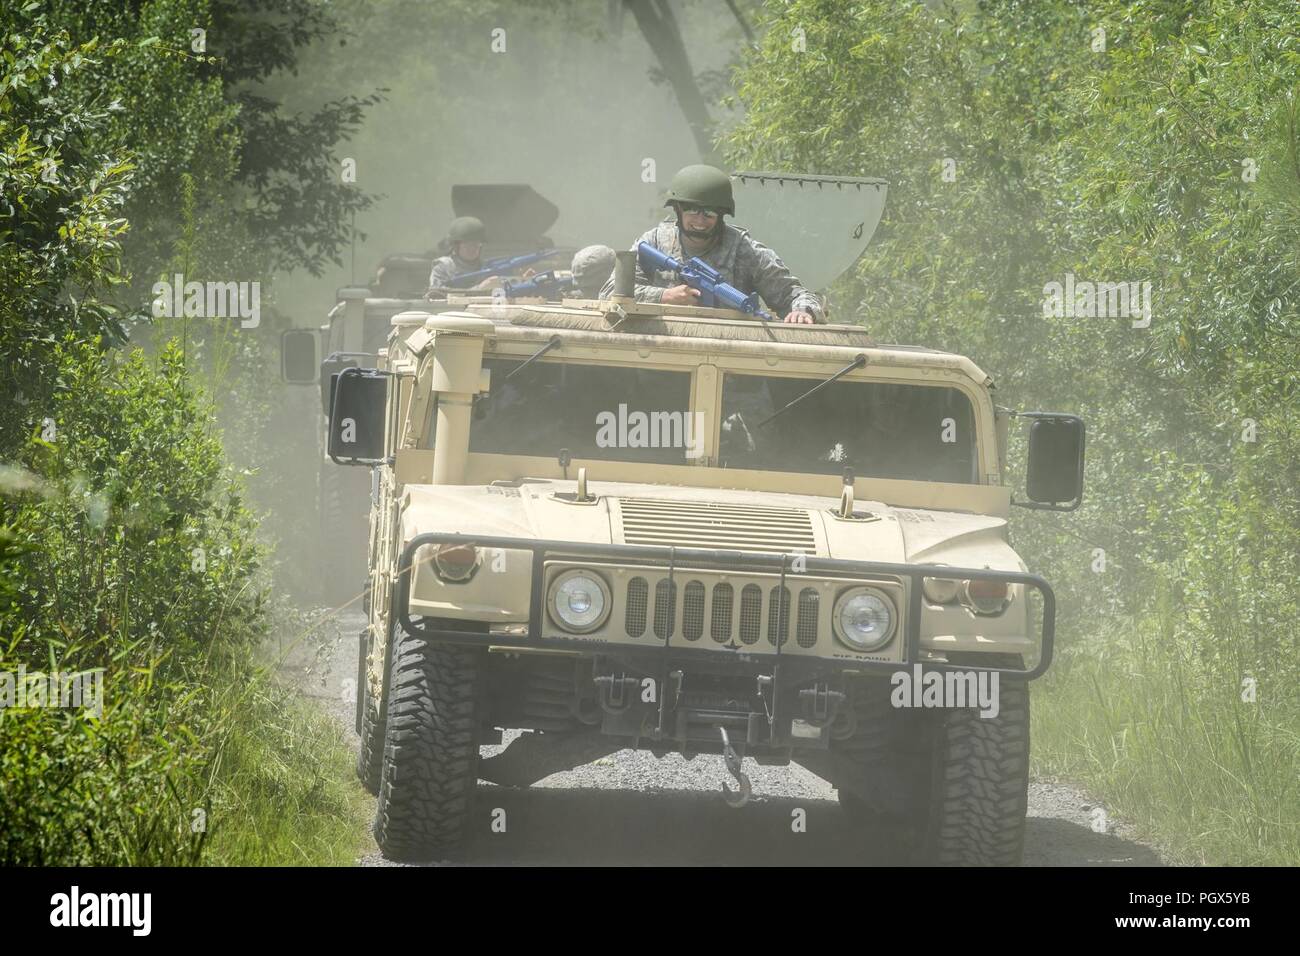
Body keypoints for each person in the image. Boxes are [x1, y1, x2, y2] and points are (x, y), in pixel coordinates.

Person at [600, 164, 823, 324]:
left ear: (722, 215)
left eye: (709, 213)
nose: (699, 220)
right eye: (691, 210)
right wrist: (664, 296)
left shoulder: (744, 250)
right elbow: (611, 292)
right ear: (677, 210)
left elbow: (796, 294)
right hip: (661, 357)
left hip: (728, 359)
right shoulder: (654, 242)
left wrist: (803, 312)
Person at [425, 216, 499, 295]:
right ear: (456, 246)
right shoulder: (444, 266)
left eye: (476, 245)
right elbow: (436, 293)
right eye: (467, 245)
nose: (472, 249)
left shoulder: (486, 268)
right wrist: (479, 289)